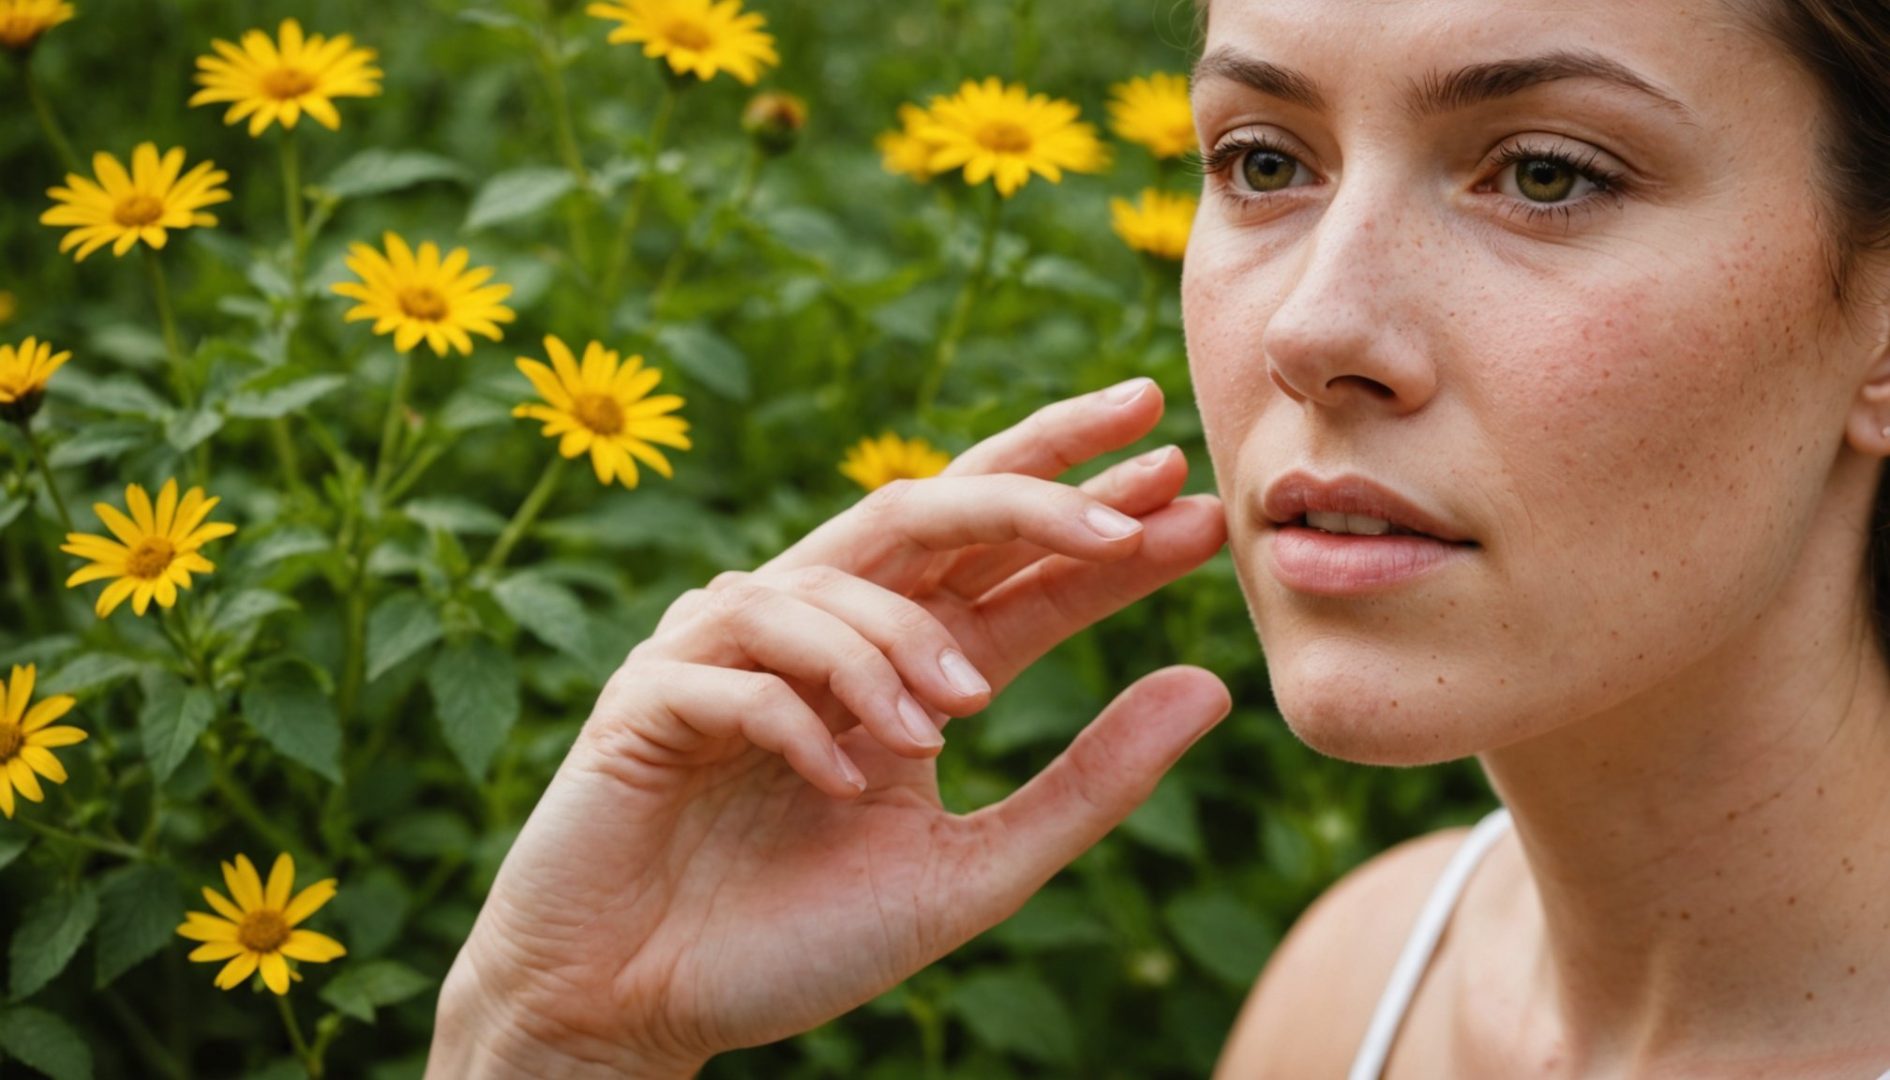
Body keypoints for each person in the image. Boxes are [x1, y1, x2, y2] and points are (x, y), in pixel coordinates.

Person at [428, 0, 1890, 1074]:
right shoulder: (1361, 989)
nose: (1312, 327)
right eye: (1261, 162)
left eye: (1548, 173)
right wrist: (562, 1036)